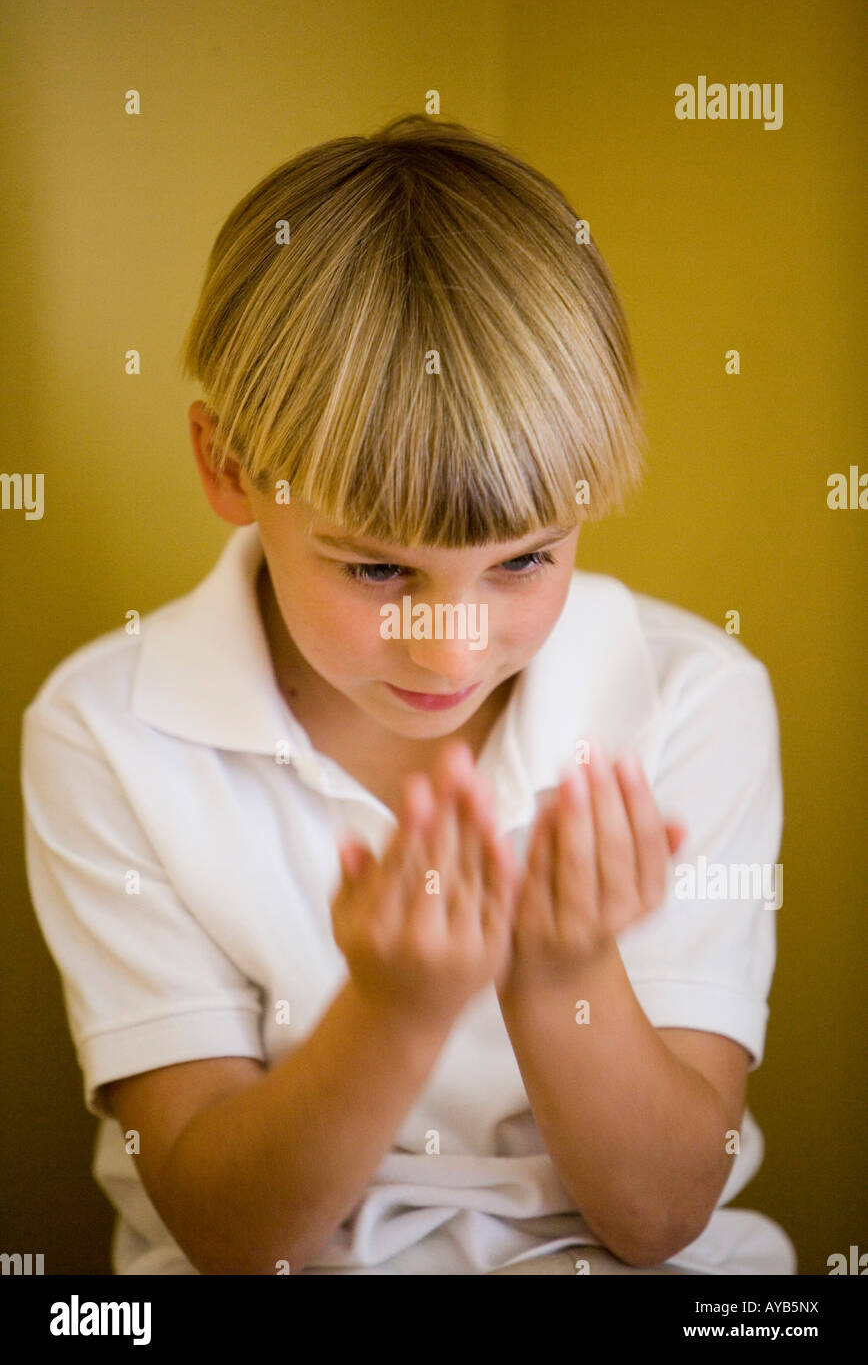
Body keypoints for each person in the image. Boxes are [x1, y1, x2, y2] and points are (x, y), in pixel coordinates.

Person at [20, 114, 796, 1276]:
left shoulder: (692, 700)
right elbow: (232, 1235)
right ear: (229, 467)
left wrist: (566, 973)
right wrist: (394, 1009)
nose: (452, 650)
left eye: (524, 559)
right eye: (379, 568)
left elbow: (660, 1217)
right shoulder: (104, 730)